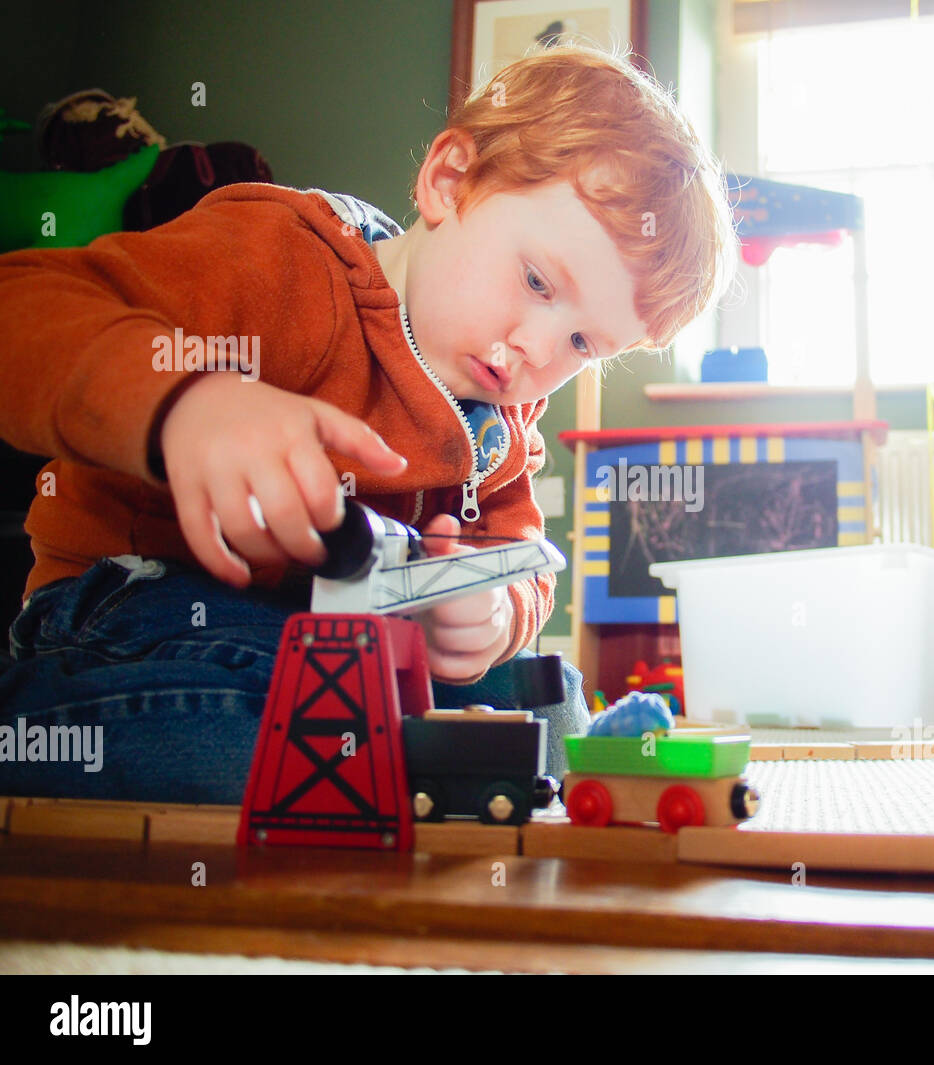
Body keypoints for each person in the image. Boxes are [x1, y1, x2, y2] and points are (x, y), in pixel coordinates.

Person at [0, 43, 738, 803]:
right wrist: (184, 404)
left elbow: (516, 547)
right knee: (273, 732)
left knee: (554, 705)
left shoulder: (503, 416)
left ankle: (398, 775)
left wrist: (490, 611)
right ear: (450, 181)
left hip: (348, 645)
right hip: (134, 614)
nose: (536, 350)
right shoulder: (280, 259)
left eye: (583, 344)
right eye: (537, 281)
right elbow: (20, 310)